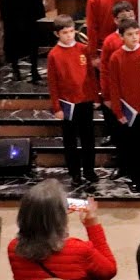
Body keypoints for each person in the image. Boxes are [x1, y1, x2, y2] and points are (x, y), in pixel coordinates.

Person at [46, 15, 101, 187]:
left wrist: (95, 97)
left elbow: (91, 76)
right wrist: (57, 107)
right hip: (67, 104)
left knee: (88, 139)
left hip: (85, 101)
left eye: (71, 31)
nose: (69, 35)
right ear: (57, 34)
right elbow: (53, 83)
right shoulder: (54, 55)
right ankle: (75, 173)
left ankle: (89, 170)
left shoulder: (83, 49)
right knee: (70, 141)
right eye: (65, 33)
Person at [109, 19, 140, 193]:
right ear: (121, 37)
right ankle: (137, 179)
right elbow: (114, 86)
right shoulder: (116, 57)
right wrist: (118, 111)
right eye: (130, 34)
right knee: (133, 148)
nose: (134, 37)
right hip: (128, 113)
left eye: (137, 33)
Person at [86, 0, 140, 73]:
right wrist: (93, 55)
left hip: (128, 47)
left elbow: (136, 23)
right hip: (104, 50)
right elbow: (92, 27)